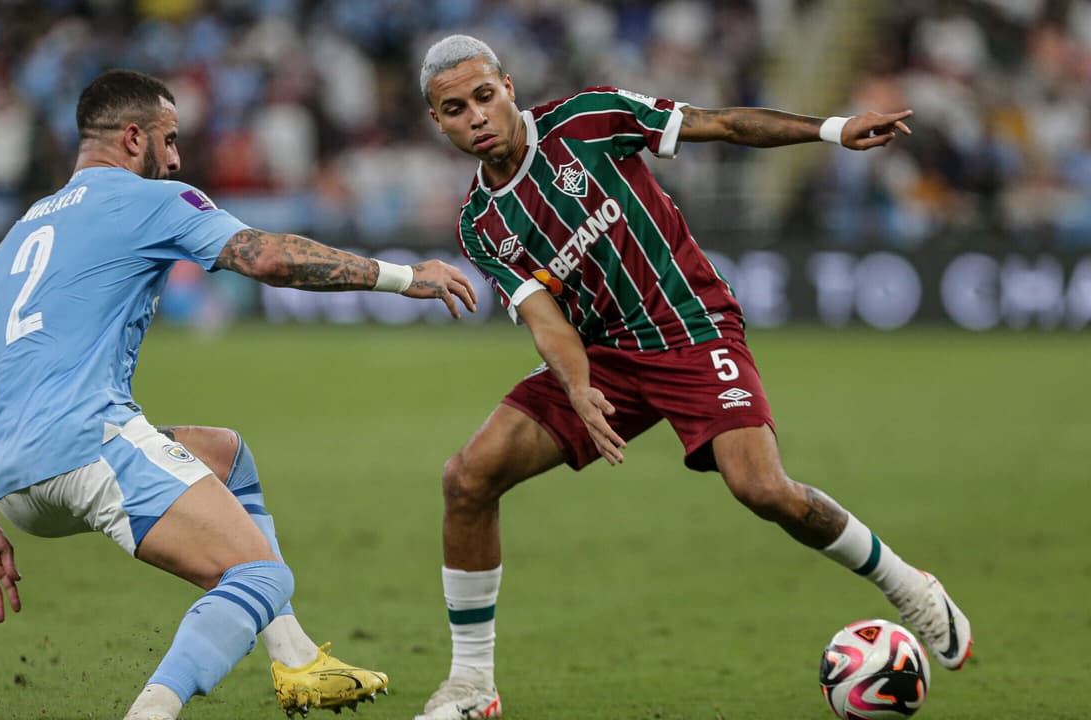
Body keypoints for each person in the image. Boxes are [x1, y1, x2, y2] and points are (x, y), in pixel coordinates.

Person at [412, 35, 972, 720]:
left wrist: (832, 130)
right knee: (468, 478)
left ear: (508, 87)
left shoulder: (589, 120)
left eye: (483, 96)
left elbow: (723, 124)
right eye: (455, 109)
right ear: (437, 122)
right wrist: (579, 387)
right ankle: (472, 685)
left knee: (762, 488)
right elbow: (546, 320)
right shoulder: (481, 223)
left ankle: (909, 585)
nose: (476, 116)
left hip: (690, 328)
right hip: (603, 357)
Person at [0, 69, 477, 720]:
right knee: (261, 575)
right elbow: (268, 258)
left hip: (11, 483)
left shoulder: (17, 237)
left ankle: (295, 658)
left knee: (225, 455)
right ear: (133, 137)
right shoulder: (148, 200)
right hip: (88, 444)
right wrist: (403, 276)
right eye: (169, 140)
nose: (176, 159)